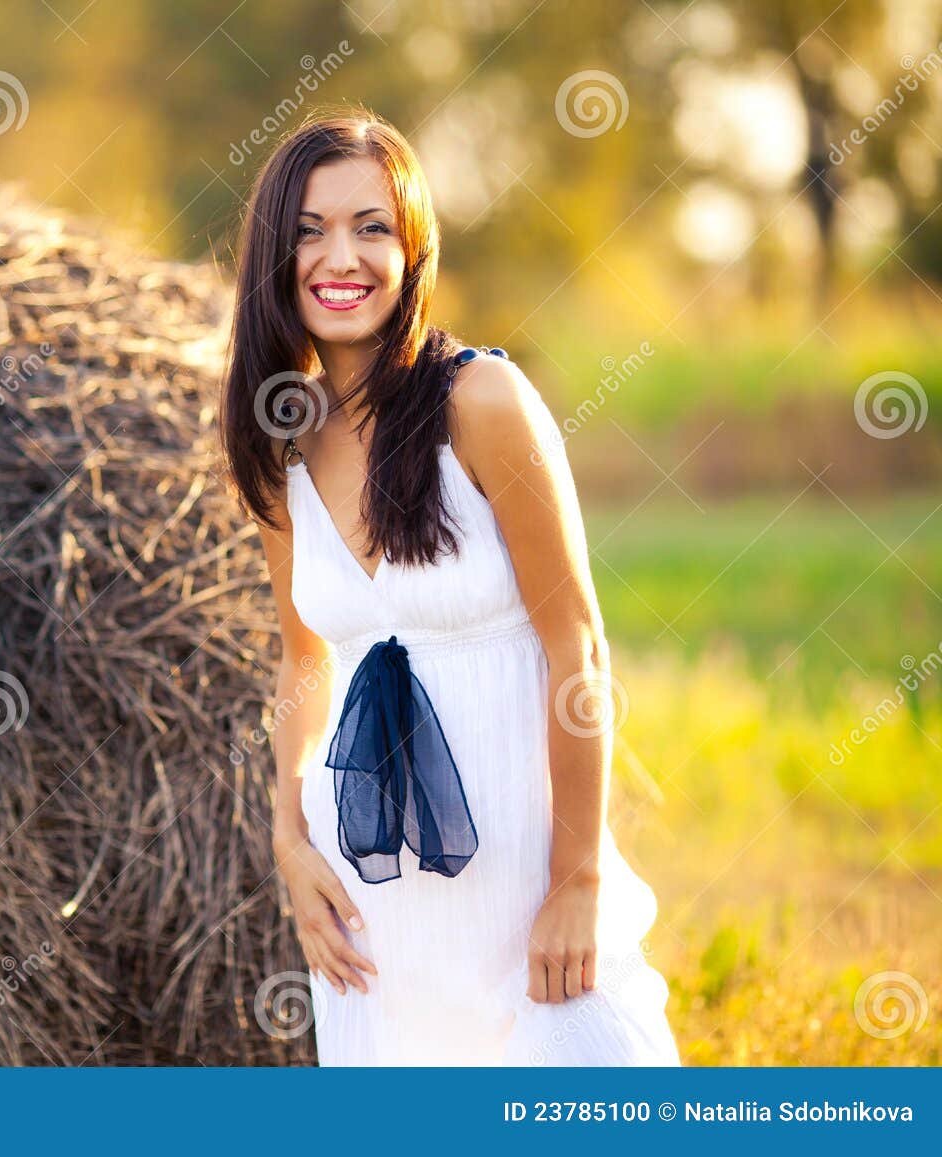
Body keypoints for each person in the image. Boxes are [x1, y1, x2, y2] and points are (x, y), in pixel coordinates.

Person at [219, 110, 682, 1065]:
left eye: (371, 227)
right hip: (372, 908)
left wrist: (579, 877)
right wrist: (289, 838)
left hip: (526, 885)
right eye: (309, 230)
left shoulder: (483, 402)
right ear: (274, 255)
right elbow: (304, 660)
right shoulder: (282, 440)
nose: (340, 257)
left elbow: (578, 646)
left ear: (412, 249)